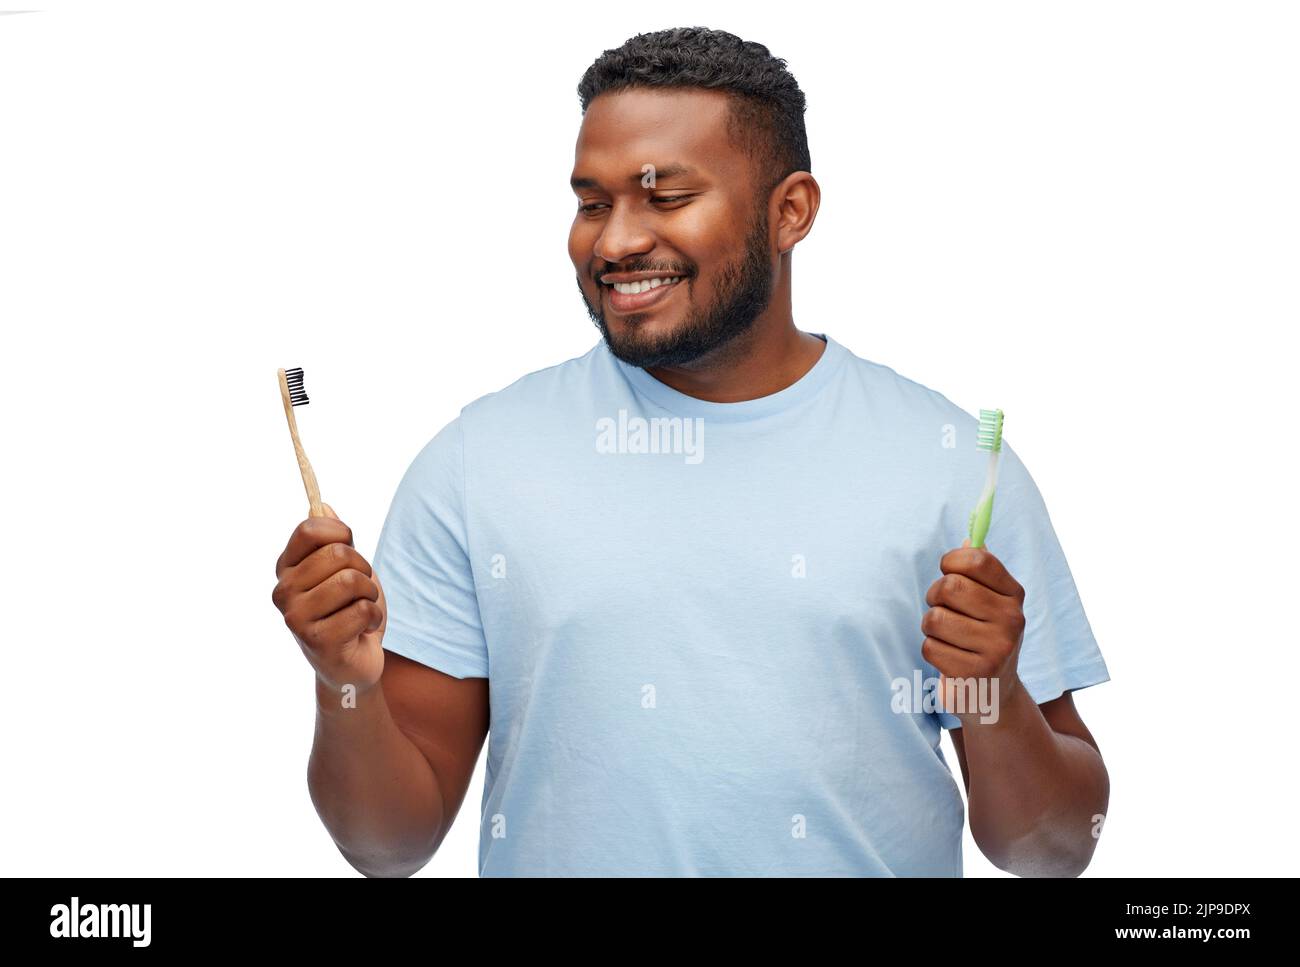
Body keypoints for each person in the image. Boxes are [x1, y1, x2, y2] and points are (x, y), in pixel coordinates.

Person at [272, 26, 1110, 877]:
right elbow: (387, 844)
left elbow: (1052, 850)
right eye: (593, 202)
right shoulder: (475, 465)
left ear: (792, 212)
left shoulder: (950, 469)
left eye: (664, 198)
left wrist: (994, 694)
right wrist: (345, 686)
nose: (613, 242)